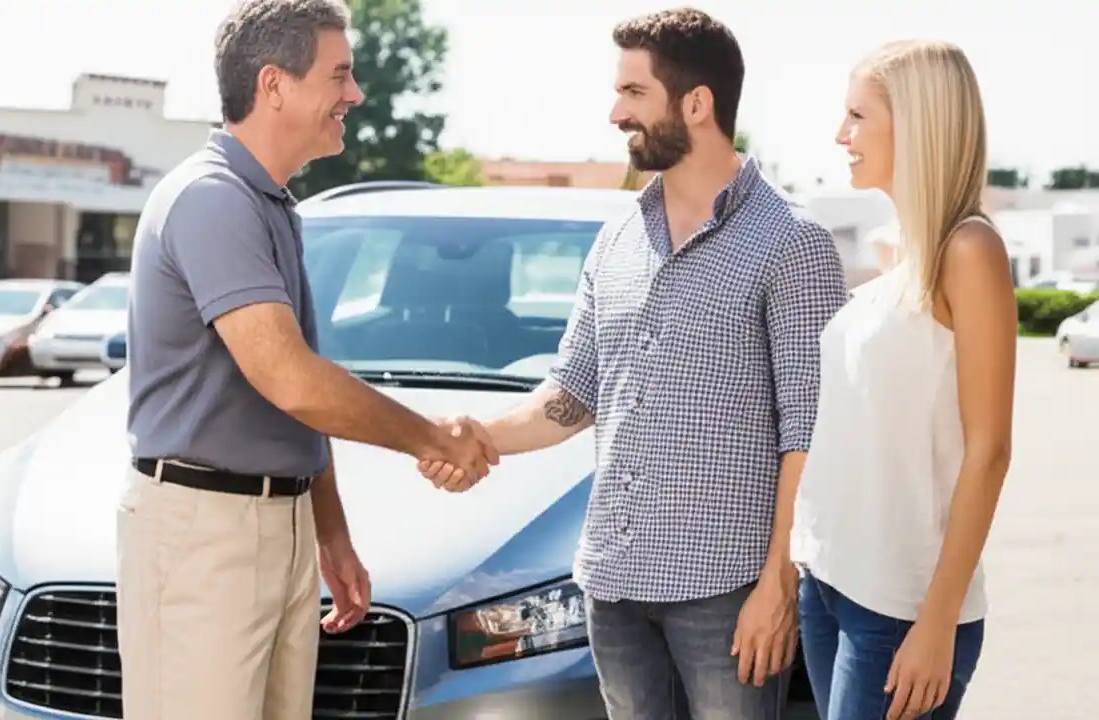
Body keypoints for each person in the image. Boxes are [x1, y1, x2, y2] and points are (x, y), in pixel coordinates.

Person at [420, 7, 848, 719]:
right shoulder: (616, 239)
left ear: (697, 104)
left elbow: (809, 432)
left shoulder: (791, 243)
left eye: (633, 93)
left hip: (726, 591)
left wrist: (780, 583)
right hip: (612, 589)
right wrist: (478, 435)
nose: (615, 112)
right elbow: (572, 394)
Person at [115, 1, 496, 718]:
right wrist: (434, 439)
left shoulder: (271, 206)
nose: (354, 95)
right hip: (205, 534)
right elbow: (291, 380)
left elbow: (290, 394)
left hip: (272, 525)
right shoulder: (212, 199)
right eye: (340, 75)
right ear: (274, 85)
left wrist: (330, 532)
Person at [789, 40, 1016, 720]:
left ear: (915, 124)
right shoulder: (898, 257)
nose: (841, 135)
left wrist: (938, 622)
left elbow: (990, 451)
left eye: (858, 115)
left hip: (901, 609)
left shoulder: (969, 250)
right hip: (828, 584)